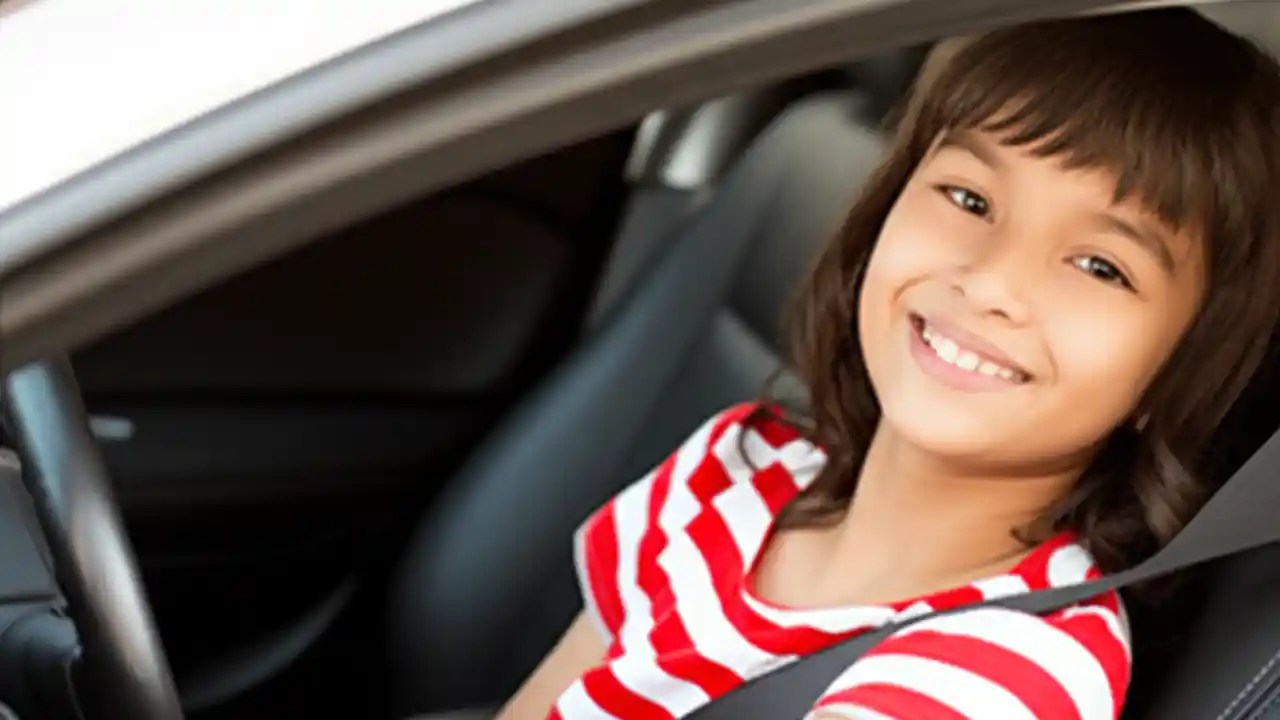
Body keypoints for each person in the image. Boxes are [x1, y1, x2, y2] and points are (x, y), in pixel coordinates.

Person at [498, 7, 1280, 719]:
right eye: (969, 200)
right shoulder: (732, 468)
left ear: (1178, 370)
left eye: (1101, 267)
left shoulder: (1009, 672)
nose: (992, 282)